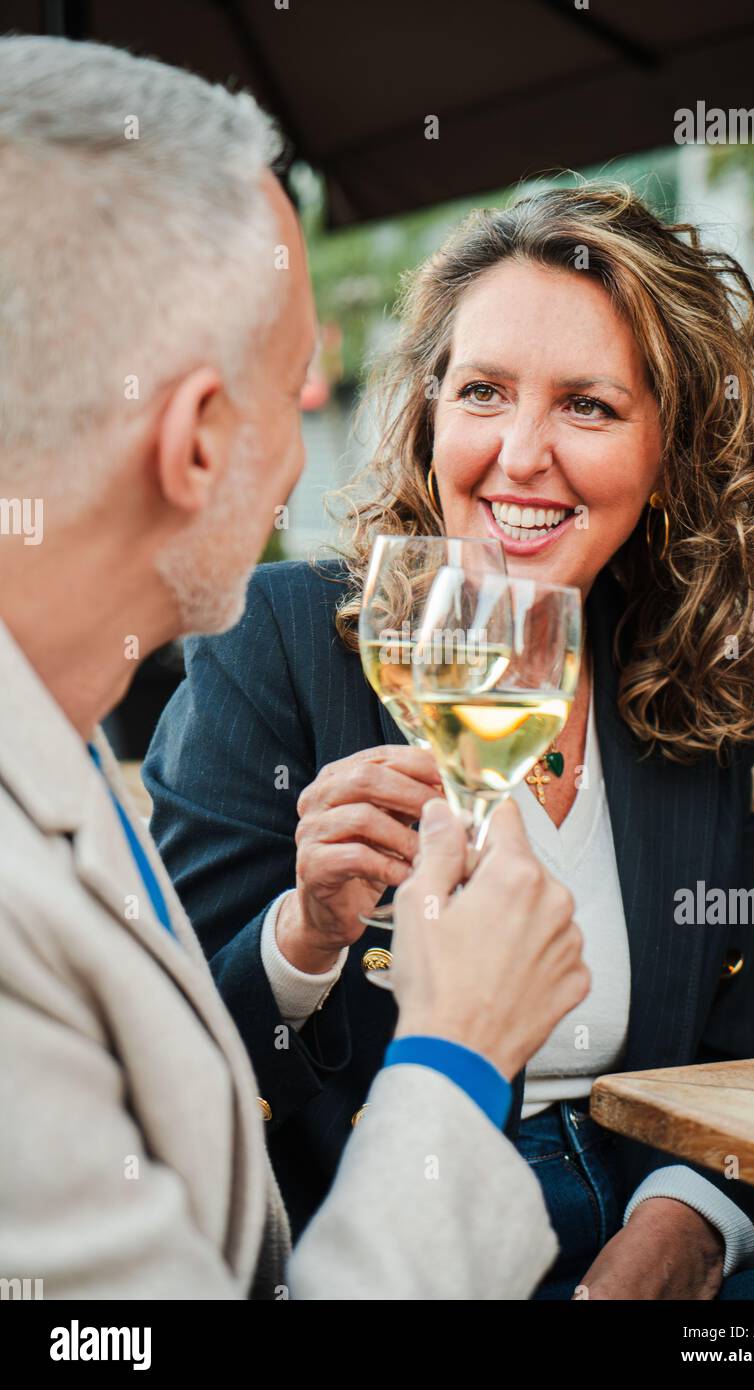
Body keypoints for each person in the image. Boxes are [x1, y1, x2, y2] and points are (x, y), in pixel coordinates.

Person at [145, 177, 754, 1300]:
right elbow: (172, 1061)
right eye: (482, 390)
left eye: (587, 405)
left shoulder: (677, 676)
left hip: (637, 1223)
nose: (519, 454)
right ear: (430, 409)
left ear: (664, 452)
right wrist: (305, 933)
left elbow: (735, 1056)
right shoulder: (283, 637)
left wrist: (676, 1230)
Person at [0, 34, 593, 1300]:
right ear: (199, 442)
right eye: (294, 381)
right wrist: (456, 1050)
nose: (323, 424)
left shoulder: (64, 743)